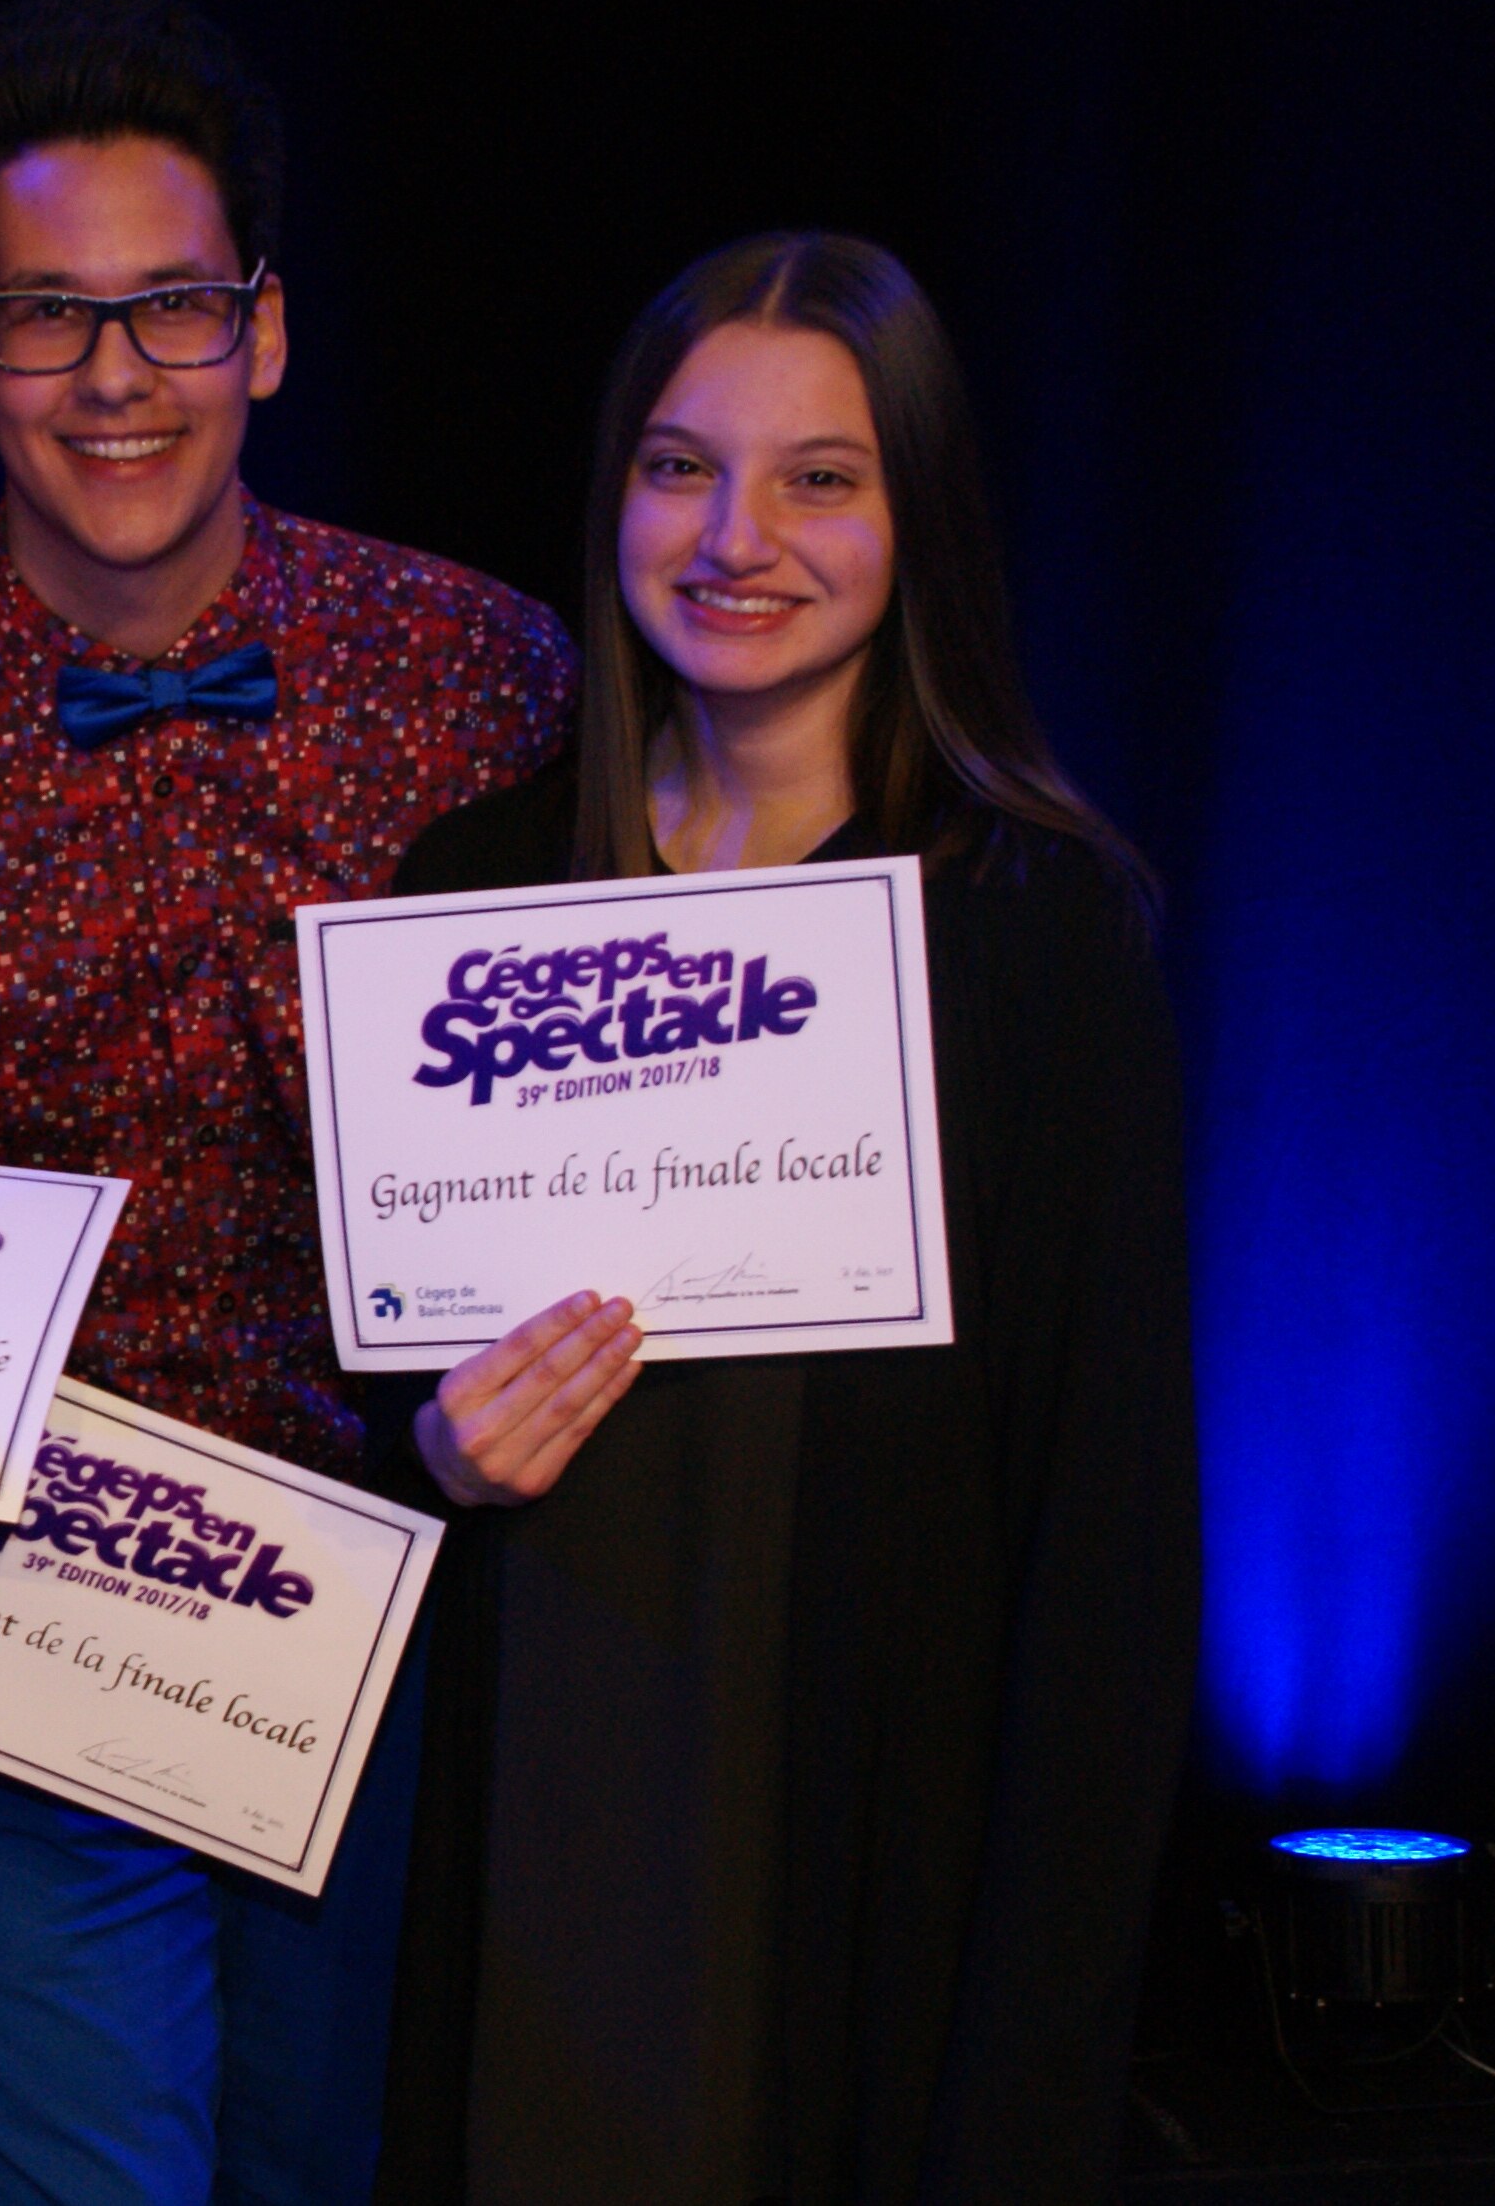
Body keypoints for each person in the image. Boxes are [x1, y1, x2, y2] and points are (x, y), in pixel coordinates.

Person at [0, 0, 570, 2206]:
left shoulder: (483, 681)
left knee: (335, 2168)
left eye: (169, 308)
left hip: (402, 1606)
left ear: (263, 328)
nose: (115, 376)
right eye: (51, 320)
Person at [368, 232, 1196, 2203]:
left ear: (918, 516)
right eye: (678, 465)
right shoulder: (465, 892)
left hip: (853, 1896)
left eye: (820, 475)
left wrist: (1032, 2075)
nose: (737, 533)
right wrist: (427, 1451)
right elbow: (376, 1406)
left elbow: (1109, 1552)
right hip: (541, 1850)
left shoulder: (1031, 932)